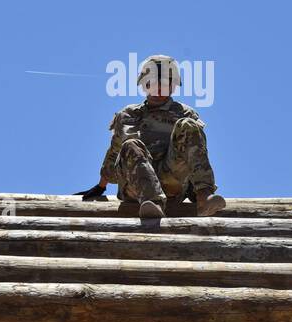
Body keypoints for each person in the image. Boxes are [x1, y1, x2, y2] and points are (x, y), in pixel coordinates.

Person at [82, 55, 226, 220]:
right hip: (135, 187)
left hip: (171, 181)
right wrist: (101, 186)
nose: (159, 89)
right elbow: (115, 152)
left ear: (173, 87)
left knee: (188, 125)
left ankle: (204, 196)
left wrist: (196, 190)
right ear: (145, 84)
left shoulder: (184, 113)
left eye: (165, 84)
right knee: (130, 144)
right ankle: (152, 203)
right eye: (153, 84)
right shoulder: (128, 114)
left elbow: (195, 151)